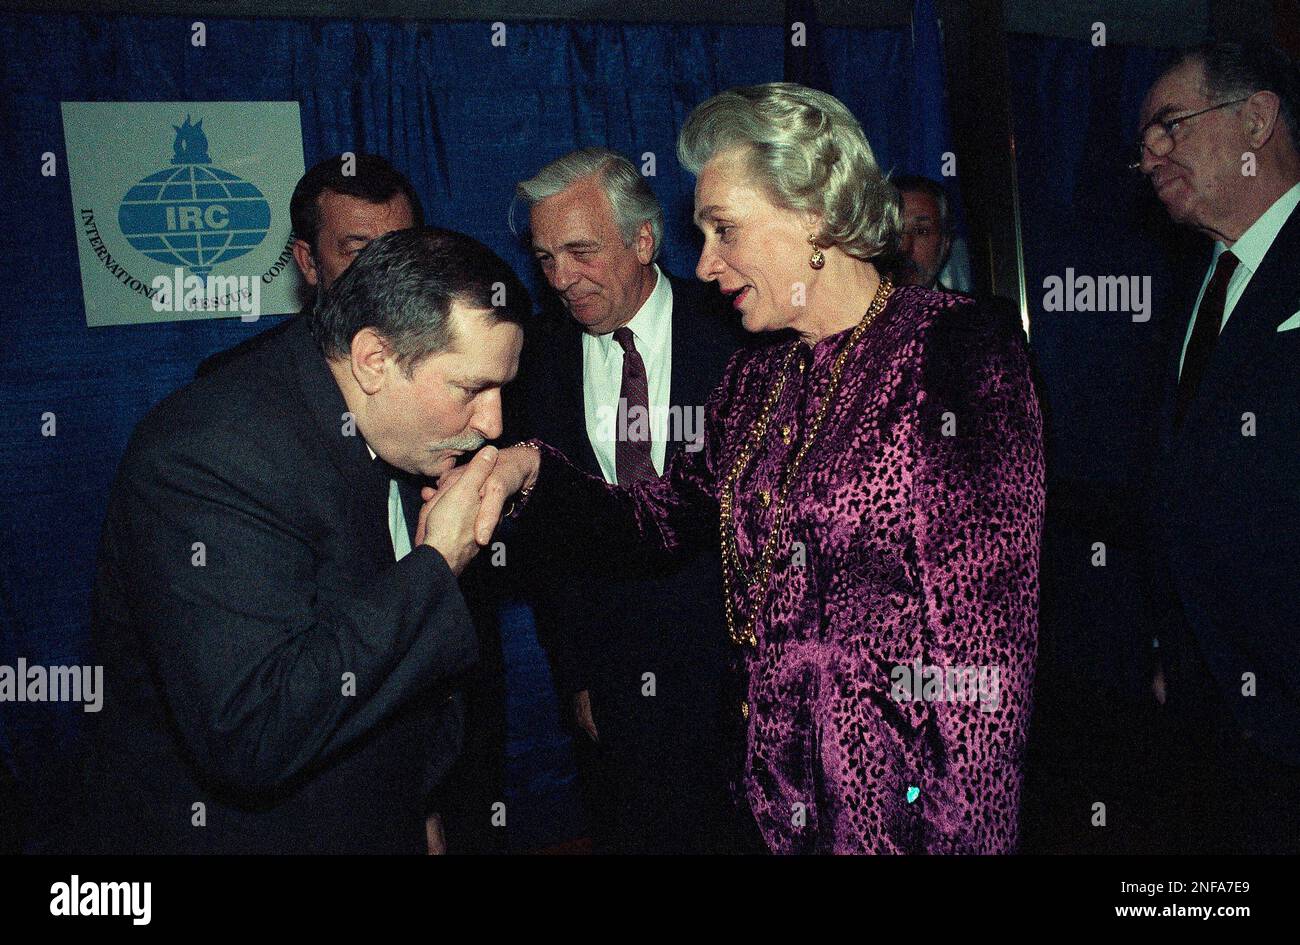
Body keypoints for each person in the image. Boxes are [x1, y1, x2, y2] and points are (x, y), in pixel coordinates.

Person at [437, 83, 1045, 853]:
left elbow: (985, 658)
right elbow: (659, 521)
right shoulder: (754, 379)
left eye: (724, 229)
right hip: (762, 800)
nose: (709, 262)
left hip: (895, 814)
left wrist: (962, 837)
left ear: (815, 213)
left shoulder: (955, 352)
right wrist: (530, 472)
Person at [83, 227, 528, 853]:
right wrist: (436, 565)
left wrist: (419, 802)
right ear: (374, 359)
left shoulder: (397, 429)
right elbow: (254, 734)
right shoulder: (209, 457)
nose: (493, 423)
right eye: (472, 389)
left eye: (502, 389)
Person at [509, 147, 744, 853]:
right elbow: (551, 540)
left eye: (580, 251)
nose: (560, 278)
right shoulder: (537, 360)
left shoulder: (741, 333)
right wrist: (577, 673)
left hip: (741, 675)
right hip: (613, 686)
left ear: (644, 240)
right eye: (546, 258)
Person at [1135, 42, 1300, 853]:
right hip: (1211, 713)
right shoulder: (1193, 284)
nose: (1149, 154)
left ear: (1257, 118)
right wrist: (1178, 645)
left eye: (1170, 126)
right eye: (1144, 141)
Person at [197, 153, 422, 376]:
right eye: (358, 251)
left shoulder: (448, 361)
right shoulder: (237, 380)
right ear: (309, 262)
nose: (383, 268)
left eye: (397, 249)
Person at [892, 174, 953, 290]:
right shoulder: (853, 307)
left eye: (921, 231)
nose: (905, 247)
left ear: (945, 243)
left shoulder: (968, 307)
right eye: (895, 231)